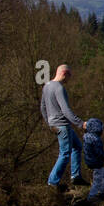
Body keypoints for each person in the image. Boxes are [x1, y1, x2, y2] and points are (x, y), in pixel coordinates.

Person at [40, 63, 88, 191]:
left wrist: (50, 123)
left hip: (55, 124)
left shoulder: (47, 86)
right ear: (64, 74)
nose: (69, 79)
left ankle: (76, 175)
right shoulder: (59, 88)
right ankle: (52, 183)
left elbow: (43, 108)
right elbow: (66, 110)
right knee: (65, 153)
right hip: (62, 125)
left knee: (77, 146)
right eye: (69, 76)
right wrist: (81, 123)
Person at [81, 117, 104, 203]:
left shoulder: (87, 137)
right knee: (98, 179)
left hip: (90, 160)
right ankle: (92, 196)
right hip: (96, 162)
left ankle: (100, 192)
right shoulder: (96, 139)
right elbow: (99, 153)